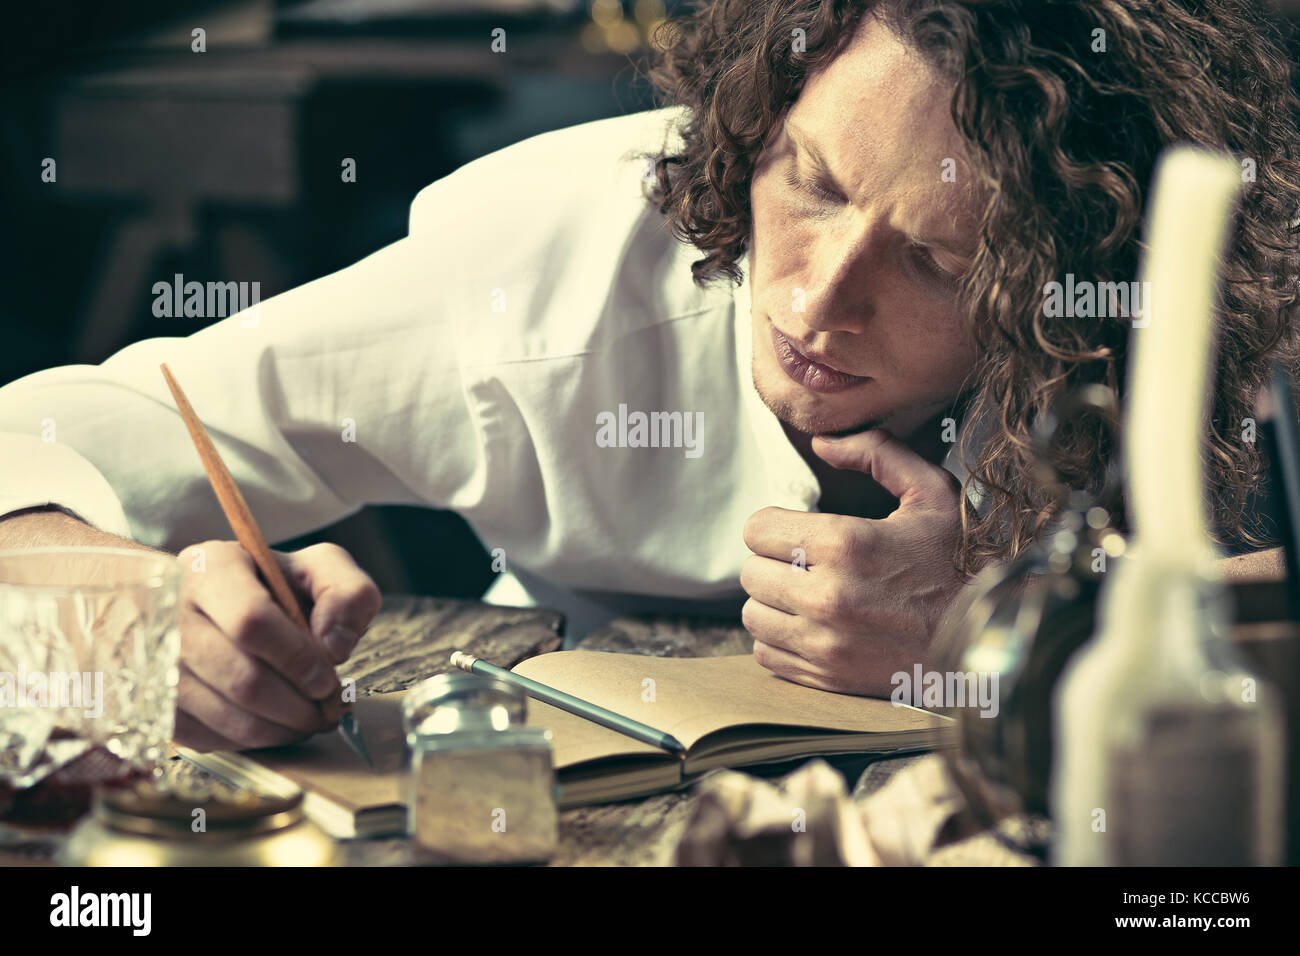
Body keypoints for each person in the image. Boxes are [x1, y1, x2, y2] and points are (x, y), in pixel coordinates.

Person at [1, 0, 1296, 752]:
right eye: (814, 183)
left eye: (941, 263)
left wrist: (1010, 639)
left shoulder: (1216, 293)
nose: (815, 297)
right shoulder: (540, 277)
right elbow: (51, 436)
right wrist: (139, 611)